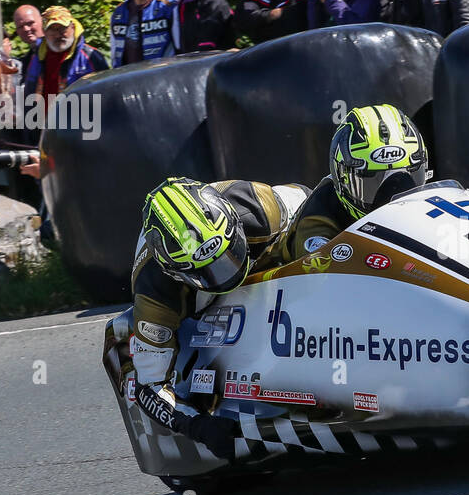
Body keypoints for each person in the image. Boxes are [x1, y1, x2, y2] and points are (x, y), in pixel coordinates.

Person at [129, 104, 428, 458]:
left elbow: (314, 209)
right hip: (195, 306)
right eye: (210, 270)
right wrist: (195, 425)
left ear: (233, 225)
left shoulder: (260, 207)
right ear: (176, 272)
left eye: (230, 252)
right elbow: (146, 387)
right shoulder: (155, 294)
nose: (228, 271)